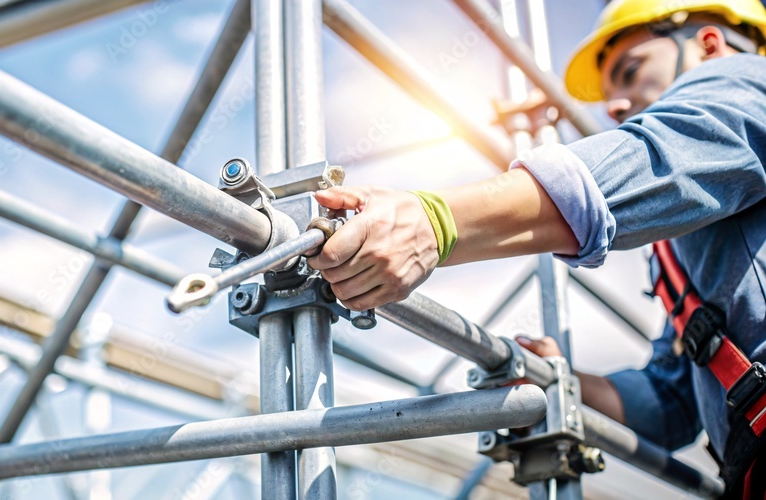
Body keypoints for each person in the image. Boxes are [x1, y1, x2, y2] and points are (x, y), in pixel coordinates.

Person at [306, 0, 766, 496]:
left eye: (630, 71)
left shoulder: (749, 79)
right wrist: (560, 386)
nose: (612, 107)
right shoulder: (688, 247)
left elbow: (669, 154)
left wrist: (438, 222)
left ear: (710, 46)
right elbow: (672, 404)